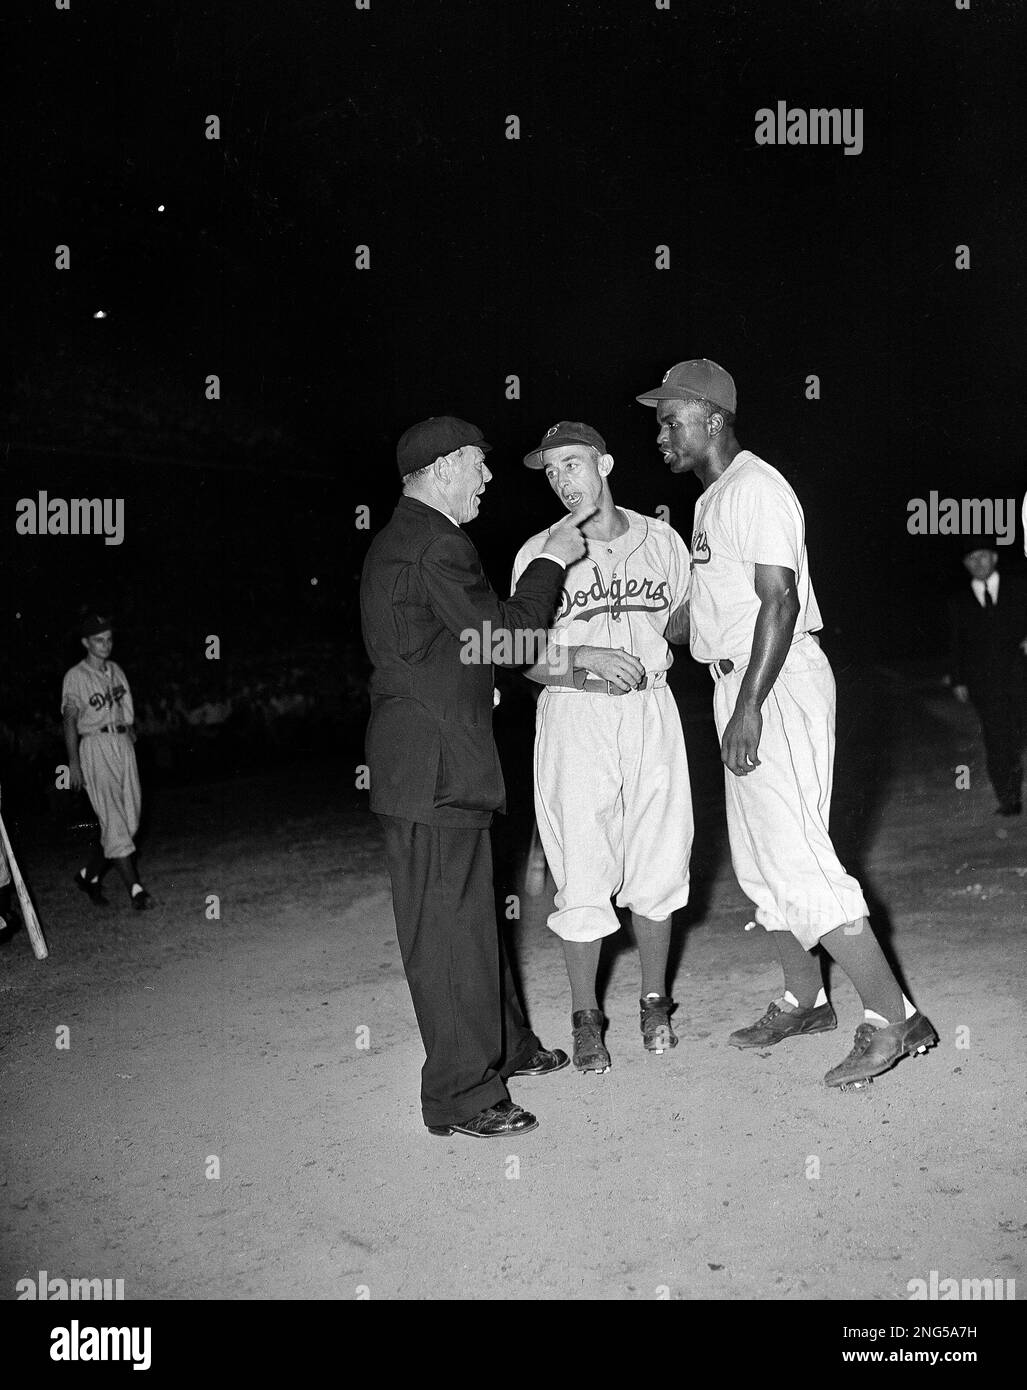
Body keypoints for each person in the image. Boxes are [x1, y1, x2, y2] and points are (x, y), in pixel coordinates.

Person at [635, 359, 936, 1089]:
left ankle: (892, 1017)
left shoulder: (756, 488)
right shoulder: (711, 503)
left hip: (771, 686)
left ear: (711, 418)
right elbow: (713, 611)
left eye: (670, 420)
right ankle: (804, 999)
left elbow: (779, 603)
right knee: (761, 862)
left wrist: (748, 708)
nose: (660, 436)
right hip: (735, 680)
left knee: (799, 859)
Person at [360, 415, 593, 1139]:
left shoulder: (407, 537)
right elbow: (508, 635)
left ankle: (507, 1048)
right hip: (433, 771)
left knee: (470, 917)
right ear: (439, 469)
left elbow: (434, 643)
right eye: (477, 466)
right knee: (448, 932)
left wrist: (467, 682)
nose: (488, 478)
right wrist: (552, 559)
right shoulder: (437, 541)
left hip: (430, 759)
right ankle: (461, 1094)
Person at [512, 421, 693, 1073]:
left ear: (606, 463)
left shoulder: (663, 540)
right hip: (574, 717)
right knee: (582, 871)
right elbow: (516, 654)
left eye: (572, 463)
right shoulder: (538, 549)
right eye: (550, 470)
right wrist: (579, 658)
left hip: (650, 710)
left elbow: (685, 626)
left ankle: (654, 1002)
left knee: (660, 857)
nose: (562, 479)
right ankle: (586, 1019)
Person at [62, 615, 154, 911]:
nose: (106, 645)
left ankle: (88, 875)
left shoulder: (116, 670)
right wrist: (73, 763)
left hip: (121, 743)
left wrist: (129, 731)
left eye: (109, 639)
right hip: (95, 744)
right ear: (85, 643)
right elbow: (69, 721)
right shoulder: (75, 676)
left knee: (130, 820)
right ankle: (137, 891)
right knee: (114, 820)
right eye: (99, 640)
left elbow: (126, 710)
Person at [947, 543, 1027, 816]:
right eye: (970, 559)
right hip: (986, 685)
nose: (977, 563)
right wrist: (958, 680)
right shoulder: (959, 600)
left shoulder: (1020, 587)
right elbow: (955, 642)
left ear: (994, 557)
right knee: (997, 741)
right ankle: (1009, 798)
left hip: (1022, 677)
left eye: (982, 556)